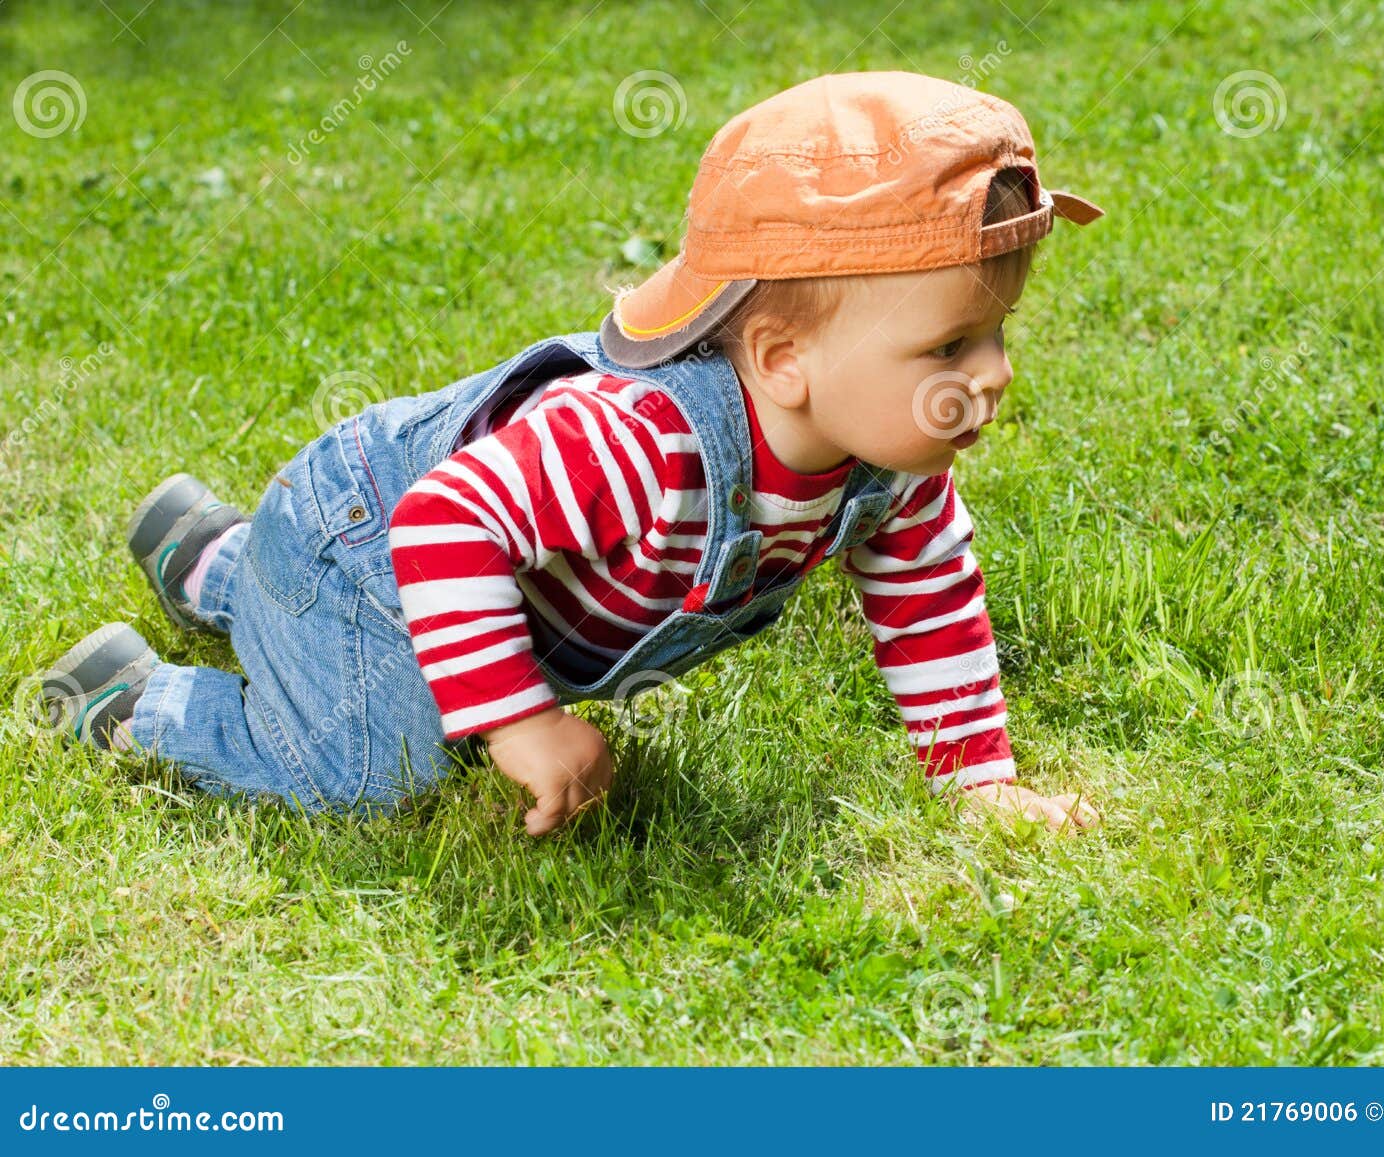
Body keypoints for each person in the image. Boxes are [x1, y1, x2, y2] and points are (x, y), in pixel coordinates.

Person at [37, 71, 1105, 838]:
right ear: (784, 356)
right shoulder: (643, 440)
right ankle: (142, 700)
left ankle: (220, 564)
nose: (995, 370)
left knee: (383, 667)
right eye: (951, 344)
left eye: (995, 333)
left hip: (421, 560)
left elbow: (929, 597)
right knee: (371, 774)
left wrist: (977, 782)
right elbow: (443, 525)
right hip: (368, 550)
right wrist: (520, 718)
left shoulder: (890, 469)